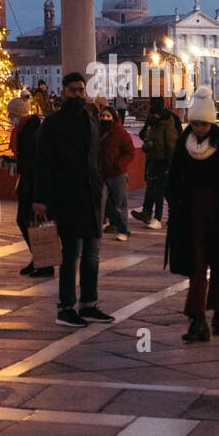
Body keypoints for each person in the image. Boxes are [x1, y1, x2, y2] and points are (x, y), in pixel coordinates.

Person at [165, 86, 219, 342]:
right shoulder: (183, 145)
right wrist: (176, 202)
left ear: (211, 122)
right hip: (190, 215)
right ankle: (197, 317)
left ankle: (218, 312)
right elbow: (173, 179)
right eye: (195, 123)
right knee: (196, 266)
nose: (199, 128)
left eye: (203, 124)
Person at [33, 71, 114, 328]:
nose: (78, 94)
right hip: (66, 195)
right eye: (73, 90)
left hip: (90, 194)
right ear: (64, 92)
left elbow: (95, 157)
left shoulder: (91, 120)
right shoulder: (52, 124)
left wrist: (100, 183)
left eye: (81, 90)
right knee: (71, 254)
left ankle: (89, 304)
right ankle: (65, 307)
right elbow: (42, 162)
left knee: (92, 254)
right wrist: (40, 198)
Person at [5, 93, 52, 278]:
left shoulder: (31, 132)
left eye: (11, 115)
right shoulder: (26, 130)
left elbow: (34, 161)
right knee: (29, 223)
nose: (10, 119)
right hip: (28, 183)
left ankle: (44, 262)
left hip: (33, 185)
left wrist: (16, 165)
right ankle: (39, 259)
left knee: (32, 223)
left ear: (18, 114)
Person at [131, 96, 178, 230]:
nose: (152, 115)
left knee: (161, 190)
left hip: (164, 161)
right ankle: (146, 213)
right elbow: (142, 134)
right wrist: (147, 142)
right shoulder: (152, 121)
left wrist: (171, 164)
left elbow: (171, 144)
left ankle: (158, 218)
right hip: (152, 159)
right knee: (152, 187)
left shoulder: (168, 120)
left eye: (154, 112)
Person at [99, 105, 135, 241]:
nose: (105, 118)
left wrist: (119, 164)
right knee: (101, 203)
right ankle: (99, 229)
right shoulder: (97, 131)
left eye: (108, 116)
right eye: (103, 116)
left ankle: (123, 230)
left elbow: (130, 152)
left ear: (114, 118)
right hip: (102, 174)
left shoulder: (120, 133)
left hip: (117, 174)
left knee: (120, 204)